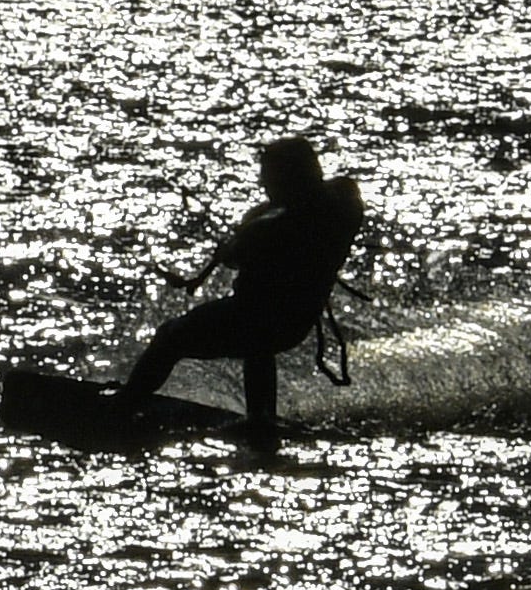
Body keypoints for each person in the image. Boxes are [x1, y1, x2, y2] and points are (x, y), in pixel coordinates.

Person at [118, 135, 364, 448]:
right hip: (293, 320)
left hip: (261, 316)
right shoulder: (342, 202)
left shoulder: (276, 227)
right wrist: (266, 214)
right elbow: (312, 201)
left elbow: (239, 255)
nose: (265, 186)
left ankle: (123, 408)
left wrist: (247, 233)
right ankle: (261, 417)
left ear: (290, 179)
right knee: (257, 344)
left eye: (270, 179)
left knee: (171, 337)